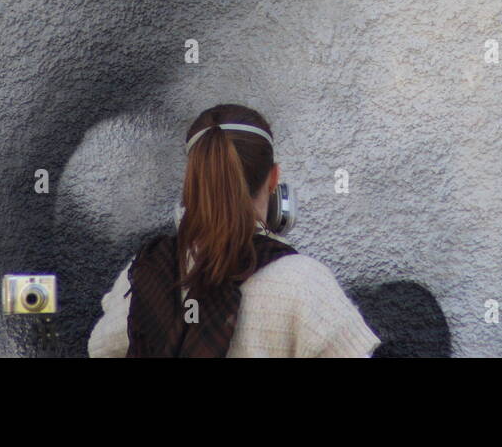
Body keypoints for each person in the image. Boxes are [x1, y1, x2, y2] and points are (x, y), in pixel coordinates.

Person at [88, 104, 379, 358]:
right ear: (274, 178)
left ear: (193, 183)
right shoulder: (304, 283)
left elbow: (102, 347)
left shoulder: (143, 271)